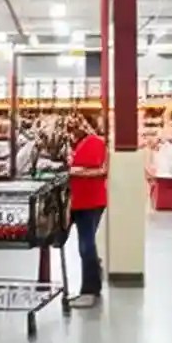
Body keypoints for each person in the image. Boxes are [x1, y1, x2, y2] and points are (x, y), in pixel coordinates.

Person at [67, 115, 107, 307]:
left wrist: (73, 171)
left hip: (89, 201)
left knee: (86, 245)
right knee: (87, 244)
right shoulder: (80, 142)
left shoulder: (94, 142)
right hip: (83, 201)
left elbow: (100, 170)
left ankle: (90, 290)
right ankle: (94, 281)